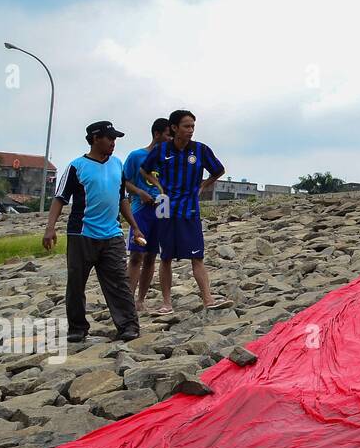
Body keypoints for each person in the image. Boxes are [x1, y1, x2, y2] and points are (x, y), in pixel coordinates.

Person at [42, 121, 145, 343]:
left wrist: (134, 226)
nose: (113, 143)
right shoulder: (77, 166)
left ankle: (128, 325)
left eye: (115, 139)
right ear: (95, 139)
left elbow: (122, 199)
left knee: (119, 282)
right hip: (82, 234)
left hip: (112, 234)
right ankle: (77, 327)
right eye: (109, 138)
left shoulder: (118, 164)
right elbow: (60, 199)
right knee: (77, 283)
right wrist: (50, 228)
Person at [141, 109, 231, 312]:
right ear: (174, 128)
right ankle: (166, 303)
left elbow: (219, 169)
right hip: (164, 206)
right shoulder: (161, 150)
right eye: (186, 126)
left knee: (196, 255)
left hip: (189, 207)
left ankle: (208, 299)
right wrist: (158, 185)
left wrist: (203, 186)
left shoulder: (200, 150)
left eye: (193, 126)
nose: (190, 130)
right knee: (165, 257)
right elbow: (144, 170)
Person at [123, 117, 172, 312]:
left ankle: (140, 300)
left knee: (152, 256)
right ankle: (128, 298)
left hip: (161, 211)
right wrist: (140, 193)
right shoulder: (136, 156)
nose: (170, 138)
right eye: (168, 134)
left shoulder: (169, 158)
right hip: (140, 210)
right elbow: (124, 182)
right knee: (136, 255)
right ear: (157, 134)